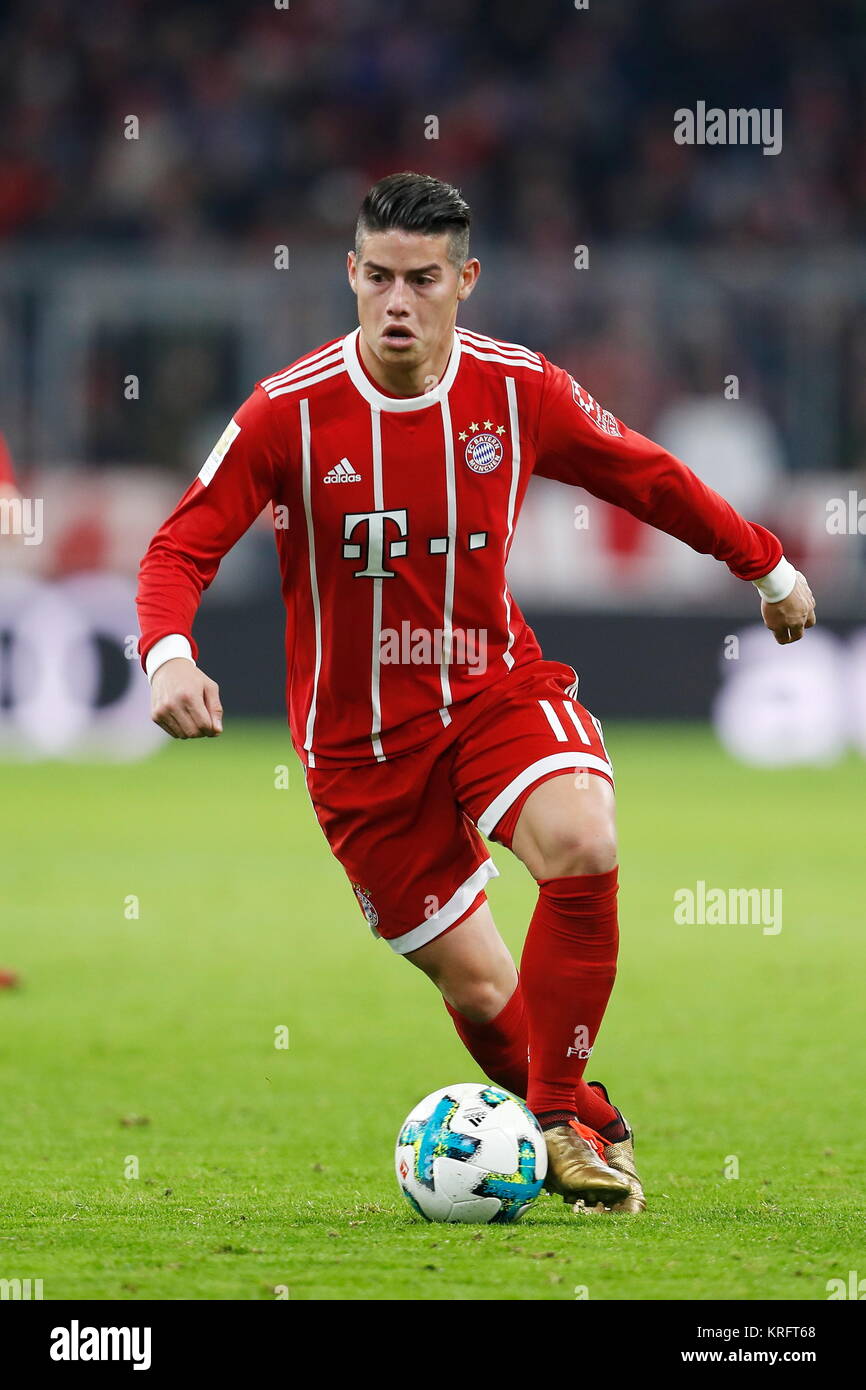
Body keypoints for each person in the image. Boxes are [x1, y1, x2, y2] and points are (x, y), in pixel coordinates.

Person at [136, 172, 816, 1215]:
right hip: (360, 750)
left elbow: (643, 474)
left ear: (465, 280)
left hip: (490, 688)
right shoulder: (286, 412)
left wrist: (763, 564)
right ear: (349, 275)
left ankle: (550, 1125)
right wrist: (168, 653)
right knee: (489, 998)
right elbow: (181, 543)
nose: (395, 301)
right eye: (375, 277)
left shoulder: (517, 388)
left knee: (582, 839)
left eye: (420, 279)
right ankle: (588, 1118)